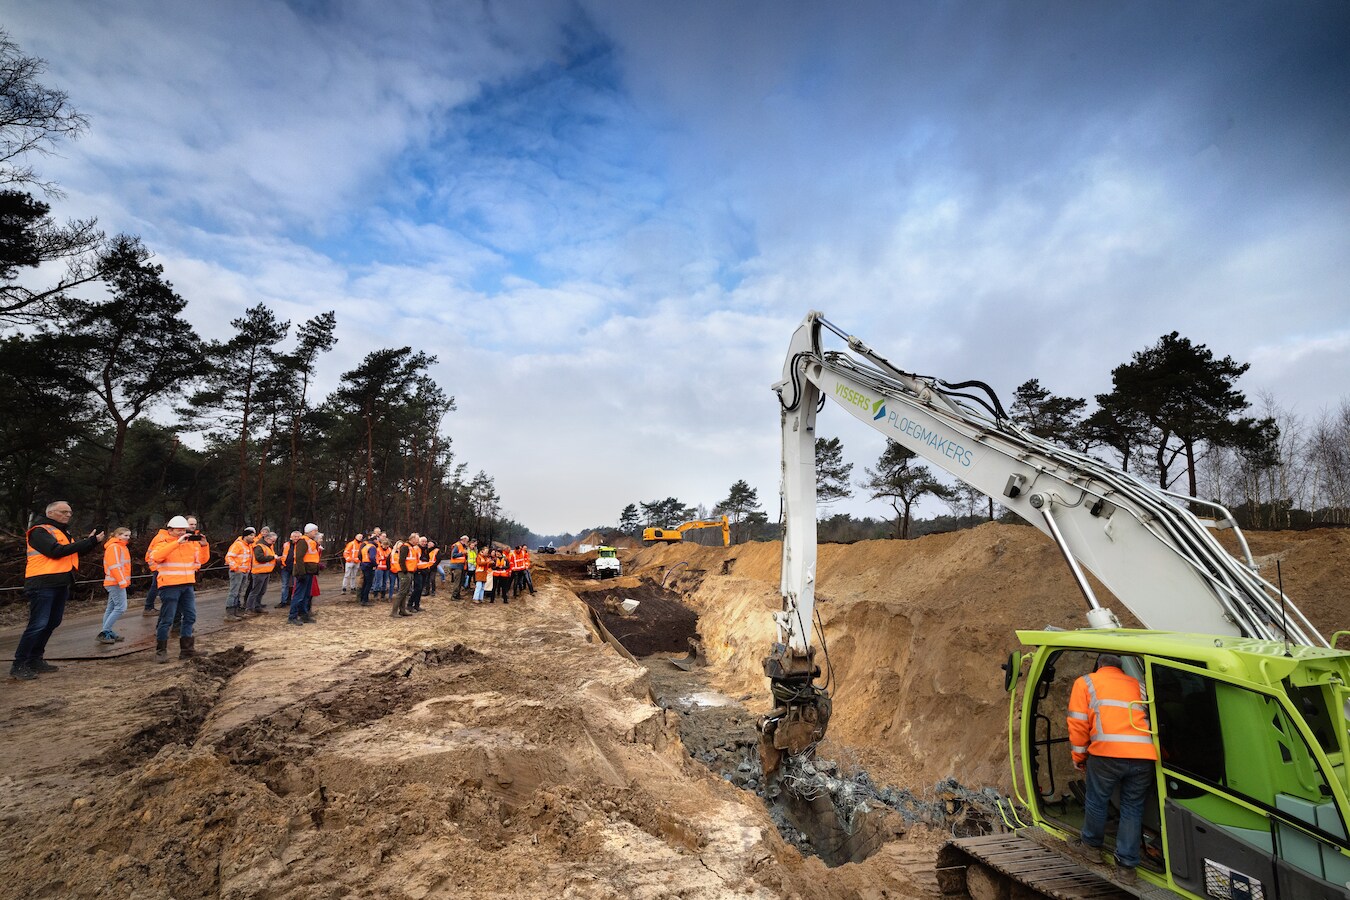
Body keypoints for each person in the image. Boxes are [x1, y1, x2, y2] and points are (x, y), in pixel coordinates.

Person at [1066, 653, 1157, 885]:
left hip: (1106, 754)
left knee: (1097, 800)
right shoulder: (1138, 684)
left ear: (1099, 665)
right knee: (1132, 808)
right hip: (1143, 756)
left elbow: (1078, 723)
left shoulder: (1086, 682)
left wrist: (1079, 755)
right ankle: (1127, 868)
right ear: (1121, 667)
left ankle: (1091, 848)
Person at [11, 501, 103, 681]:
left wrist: (92, 543)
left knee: (52, 622)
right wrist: (88, 541)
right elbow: (55, 551)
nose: (68, 515)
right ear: (51, 513)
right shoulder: (39, 531)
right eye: (64, 512)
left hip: (60, 583)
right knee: (38, 624)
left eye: (70, 512)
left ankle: (35, 659)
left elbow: (72, 553)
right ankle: (19, 664)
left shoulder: (63, 532)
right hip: (42, 584)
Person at [149, 515, 206, 663]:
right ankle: (161, 651)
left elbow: (201, 560)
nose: (181, 532)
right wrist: (176, 543)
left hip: (187, 585)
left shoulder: (190, 543)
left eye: (183, 530)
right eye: (178, 530)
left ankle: (187, 650)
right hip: (169, 586)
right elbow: (156, 557)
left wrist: (204, 546)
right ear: (170, 530)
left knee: (190, 616)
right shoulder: (162, 542)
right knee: (167, 620)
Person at [98, 527, 133, 644]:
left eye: (129, 535)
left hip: (115, 582)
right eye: (125, 535)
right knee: (121, 608)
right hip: (116, 582)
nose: (128, 538)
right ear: (117, 535)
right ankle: (105, 632)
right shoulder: (114, 547)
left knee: (111, 608)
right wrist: (122, 581)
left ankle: (107, 632)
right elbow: (115, 566)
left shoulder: (120, 547)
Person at [288, 524, 322, 625]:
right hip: (304, 572)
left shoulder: (310, 541)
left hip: (309, 571)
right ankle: (292, 616)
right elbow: (299, 558)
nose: (316, 533)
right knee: (299, 595)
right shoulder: (303, 541)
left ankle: (304, 615)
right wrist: (301, 573)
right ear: (310, 531)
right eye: (315, 531)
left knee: (306, 595)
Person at [224, 527, 256, 621]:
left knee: (238, 592)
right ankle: (230, 613)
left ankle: (235, 611)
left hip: (244, 572)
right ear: (246, 536)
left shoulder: (248, 545)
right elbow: (229, 557)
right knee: (234, 592)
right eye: (251, 535)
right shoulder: (238, 545)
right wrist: (235, 568)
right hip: (237, 572)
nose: (253, 537)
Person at [244, 531, 278, 613]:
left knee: (262, 591)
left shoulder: (268, 546)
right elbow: (259, 558)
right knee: (255, 591)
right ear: (267, 538)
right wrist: (273, 557)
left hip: (266, 572)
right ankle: (249, 609)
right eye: (273, 541)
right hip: (259, 572)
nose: (274, 543)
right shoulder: (259, 546)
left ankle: (257, 606)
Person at [357, 534, 377, 606]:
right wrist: (375, 564)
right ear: (375, 540)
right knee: (368, 583)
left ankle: (362, 598)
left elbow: (360, 555)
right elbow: (372, 557)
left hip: (364, 565)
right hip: (369, 566)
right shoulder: (372, 547)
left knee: (365, 583)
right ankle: (365, 600)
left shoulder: (366, 546)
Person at [447, 535, 469, 600]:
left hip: (461, 566)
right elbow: (453, 555)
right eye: (467, 541)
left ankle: (457, 595)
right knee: (457, 581)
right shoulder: (457, 545)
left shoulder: (463, 546)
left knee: (460, 582)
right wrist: (462, 553)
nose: (467, 542)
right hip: (457, 566)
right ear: (464, 539)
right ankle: (454, 596)